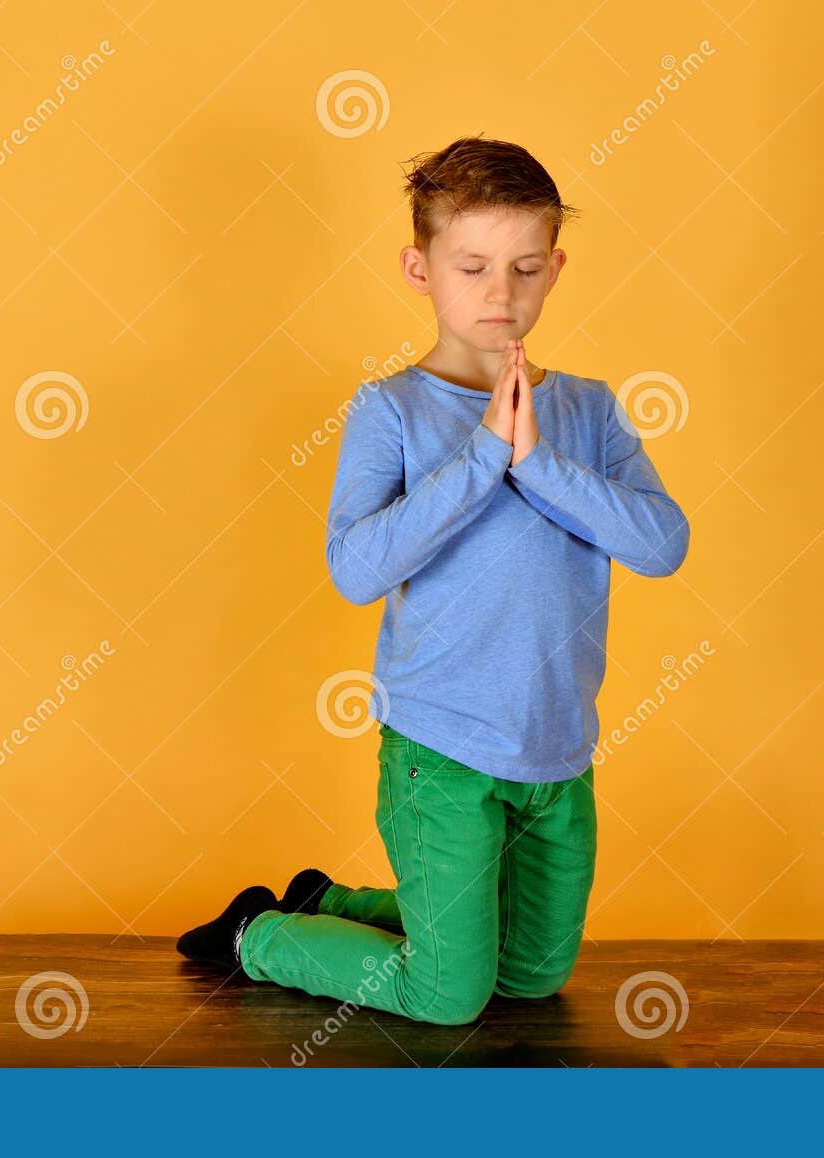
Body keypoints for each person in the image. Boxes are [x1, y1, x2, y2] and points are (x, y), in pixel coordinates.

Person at [176, 136, 690, 1025]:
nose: (501, 293)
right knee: (450, 996)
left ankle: (330, 899)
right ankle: (258, 933)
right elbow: (357, 569)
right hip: (441, 752)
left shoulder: (590, 410)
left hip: (556, 754)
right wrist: (486, 453)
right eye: (474, 266)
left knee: (531, 979)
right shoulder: (392, 411)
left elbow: (662, 544)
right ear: (420, 270)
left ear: (556, 268)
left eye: (526, 267)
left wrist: (540, 460)